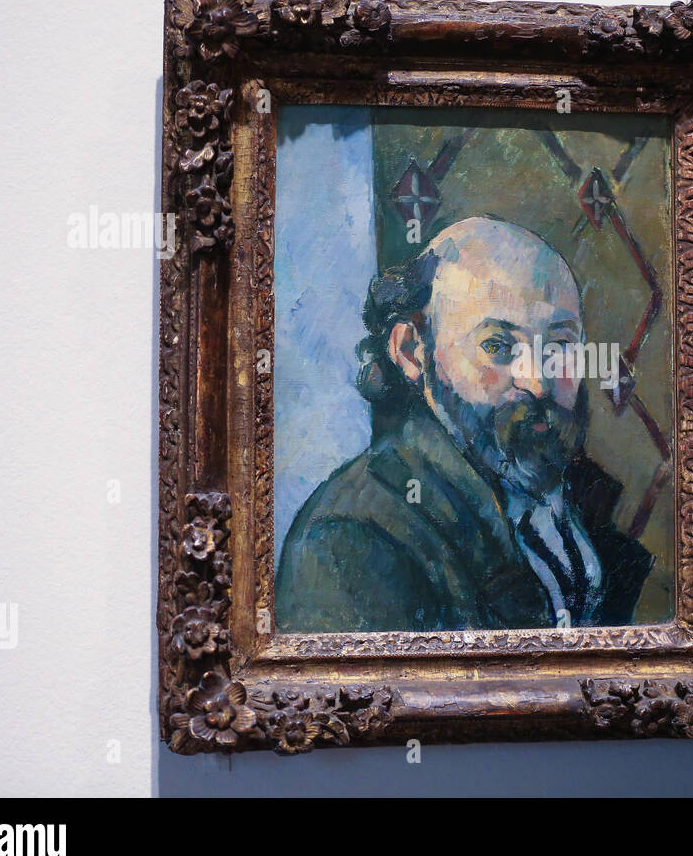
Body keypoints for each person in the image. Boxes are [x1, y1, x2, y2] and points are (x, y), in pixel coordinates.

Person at [275, 217, 654, 633]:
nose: (537, 381)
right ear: (411, 351)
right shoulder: (349, 540)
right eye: (497, 346)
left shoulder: (582, 501)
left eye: (560, 344)